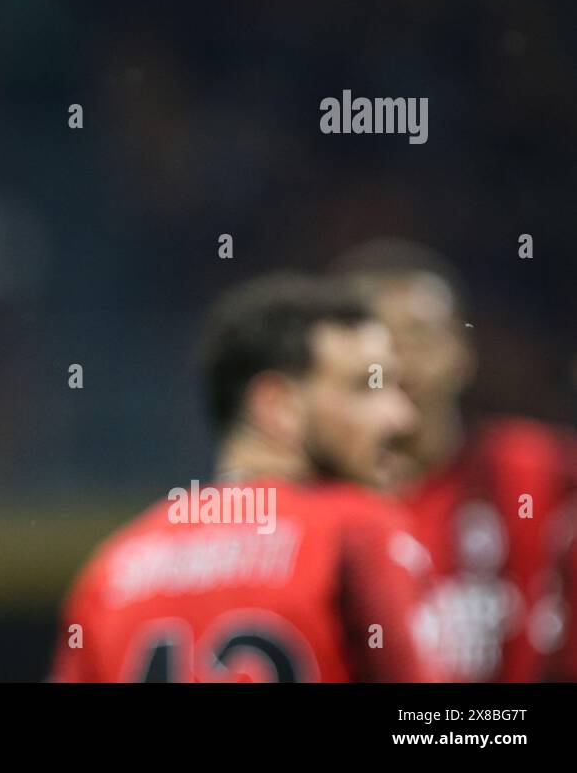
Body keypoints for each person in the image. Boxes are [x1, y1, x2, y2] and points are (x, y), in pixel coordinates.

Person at [52, 274, 433, 682]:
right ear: (277, 406)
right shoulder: (357, 531)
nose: (402, 418)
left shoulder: (115, 568)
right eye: (366, 387)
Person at [333, 239, 577, 681]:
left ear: (461, 353)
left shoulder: (540, 472)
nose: (400, 362)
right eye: (378, 342)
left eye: (418, 337)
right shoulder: (312, 521)